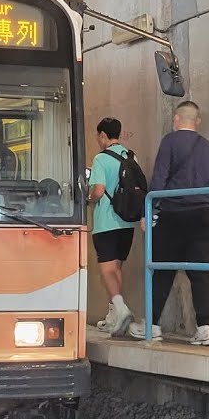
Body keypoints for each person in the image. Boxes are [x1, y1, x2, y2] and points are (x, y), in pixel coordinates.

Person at [127, 101, 209, 346]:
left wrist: (150, 211)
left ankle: (153, 325)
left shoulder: (170, 141)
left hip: (173, 214)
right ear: (197, 121)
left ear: (176, 119)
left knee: (162, 271)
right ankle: (204, 328)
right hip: (203, 214)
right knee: (201, 274)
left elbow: (159, 178)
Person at [87, 117, 136, 335]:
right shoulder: (130, 156)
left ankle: (122, 309)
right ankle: (113, 315)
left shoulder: (101, 159)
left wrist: (89, 199)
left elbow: (98, 190)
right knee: (117, 267)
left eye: (99, 136)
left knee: (106, 269)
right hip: (127, 221)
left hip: (106, 221)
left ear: (103, 136)